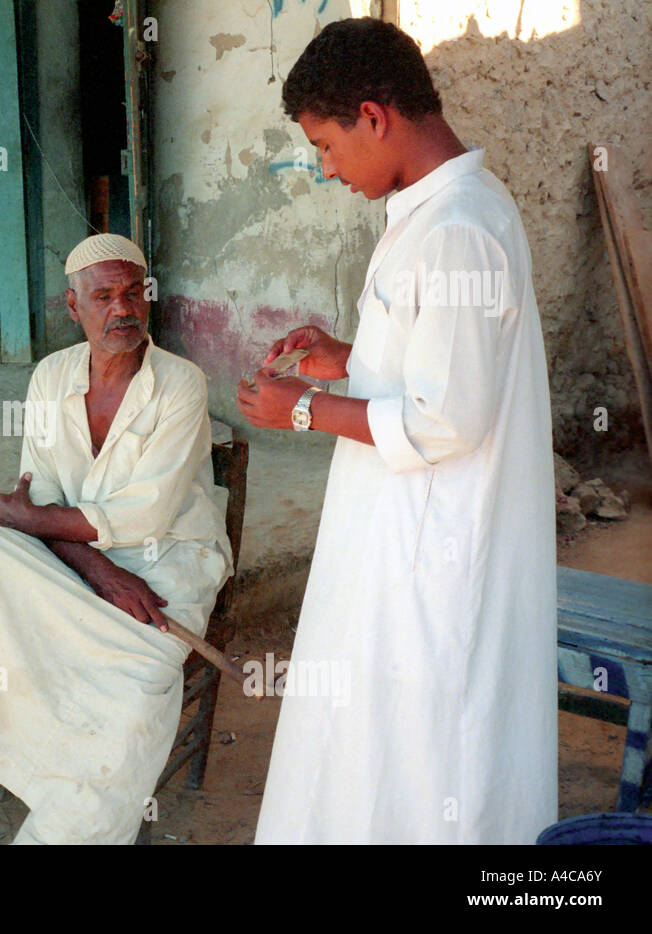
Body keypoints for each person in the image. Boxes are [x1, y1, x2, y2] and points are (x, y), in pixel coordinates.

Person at [238, 18, 556, 843]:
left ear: (375, 117)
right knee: (373, 747)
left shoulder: (458, 231)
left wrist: (301, 410)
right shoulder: (434, 213)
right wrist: (348, 357)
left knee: (422, 754)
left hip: (433, 555)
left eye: (327, 145)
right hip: (396, 535)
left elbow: (447, 419)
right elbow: (436, 361)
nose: (325, 167)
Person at [0, 233, 233, 844]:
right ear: (73, 306)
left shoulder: (181, 383)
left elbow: (141, 516)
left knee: (130, 707)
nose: (124, 309)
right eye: (105, 296)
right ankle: (47, 746)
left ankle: (67, 823)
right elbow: (42, 498)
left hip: (164, 565)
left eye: (134, 293)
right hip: (81, 562)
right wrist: (97, 567)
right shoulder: (50, 377)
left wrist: (33, 522)